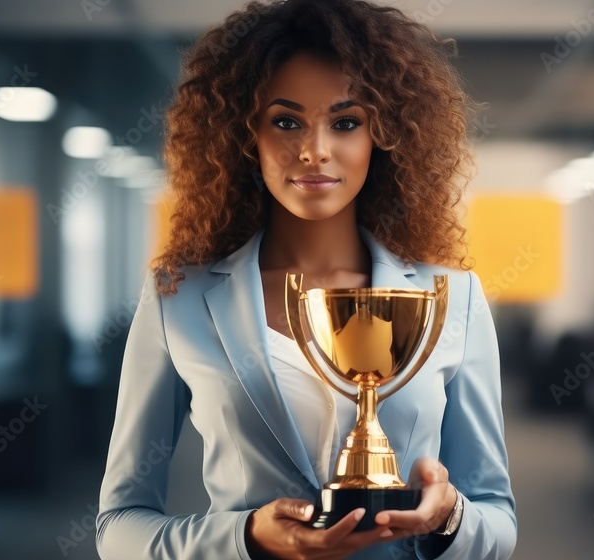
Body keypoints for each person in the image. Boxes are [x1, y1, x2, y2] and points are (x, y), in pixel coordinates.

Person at [95, 1, 516, 558]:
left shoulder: (452, 298)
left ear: (382, 137)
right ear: (246, 136)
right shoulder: (181, 298)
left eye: (345, 123)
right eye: (286, 121)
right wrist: (244, 538)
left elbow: (498, 521)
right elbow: (118, 526)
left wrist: (449, 518)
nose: (315, 150)